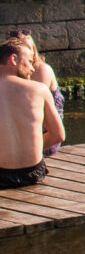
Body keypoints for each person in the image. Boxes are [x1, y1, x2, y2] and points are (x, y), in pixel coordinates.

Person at [0, 38, 64, 188]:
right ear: (13, 59)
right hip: (33, 173)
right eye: (29, 61)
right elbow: (59, 135)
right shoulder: (39, 90)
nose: (33, 68)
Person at [6, 31, 62, 153]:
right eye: (23, 48)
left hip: (44, 135)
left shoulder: (42, 70)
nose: (28, 52)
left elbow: (32, 110)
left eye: (29, 48)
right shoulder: (12, 74)